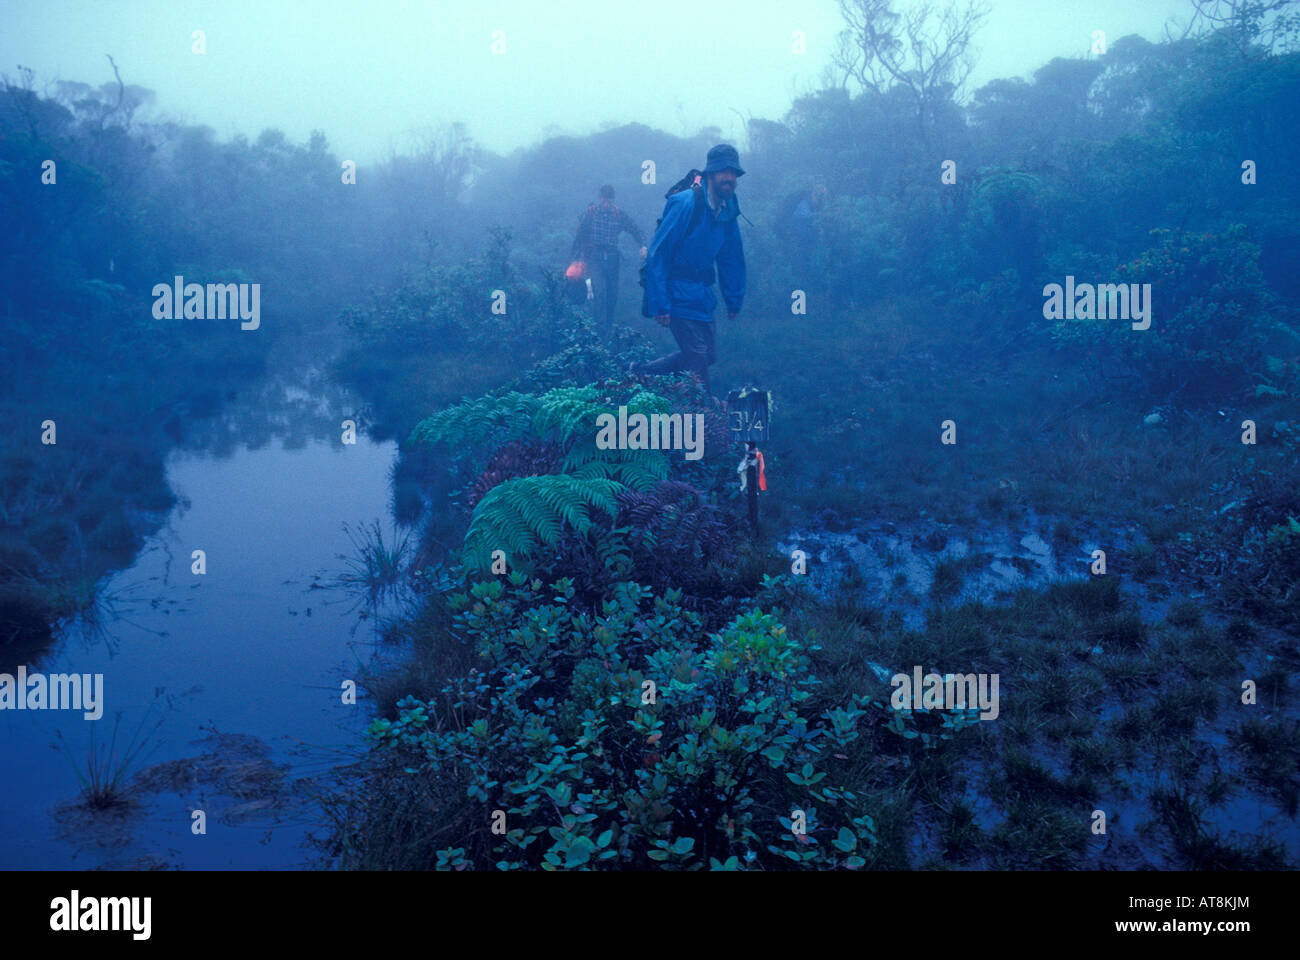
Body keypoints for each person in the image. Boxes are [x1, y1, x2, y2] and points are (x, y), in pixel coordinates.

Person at [634, 144, 747, 395]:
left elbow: (732, 256)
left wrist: (734, 298)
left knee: (708, 356)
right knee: (697, 362)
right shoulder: (686, 203)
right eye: (723, 172)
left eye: (733, 173)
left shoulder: (728, 208)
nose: (729, 178)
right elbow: (658, 253)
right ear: (710, 174)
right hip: (675, 292)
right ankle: (704, 415)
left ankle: (644, 372)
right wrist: (660, 303)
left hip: (701, 295)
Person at [571, 185, 647, 334]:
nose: (607, 204)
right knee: (599, 292)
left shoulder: (619, 215)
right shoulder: (591, 214)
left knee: (612, 295)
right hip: (595, 258)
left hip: (613, 259)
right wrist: (575, 258)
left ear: (613, 200)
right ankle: (599, 330)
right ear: (600, 199)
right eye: (604, 201)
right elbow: (579, 237)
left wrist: (643, 245)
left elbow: (636, 230)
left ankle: (608, 329)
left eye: (609, 201)